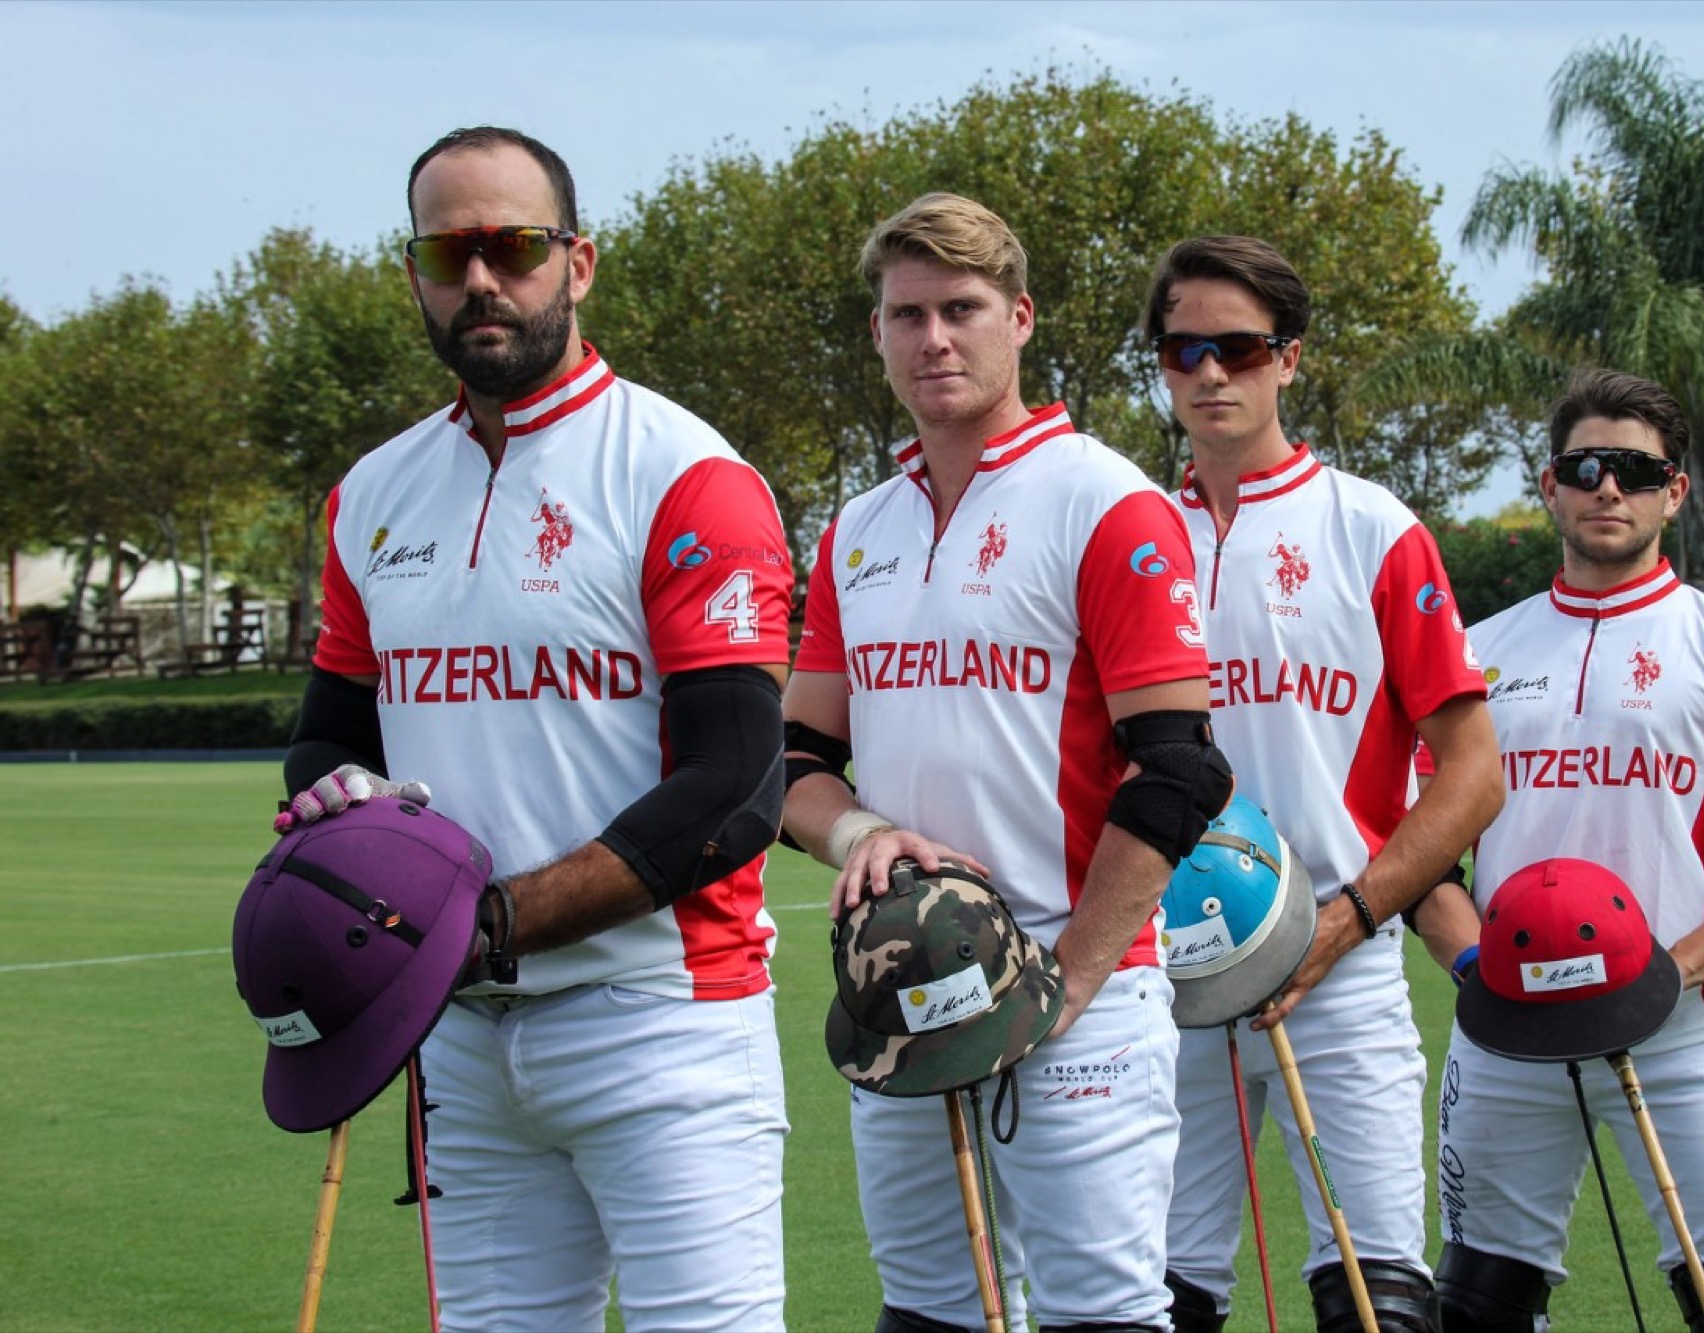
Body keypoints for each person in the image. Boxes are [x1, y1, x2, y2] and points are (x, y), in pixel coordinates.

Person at [283, 125, 794, 1332]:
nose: (479, 280)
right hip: (454, 1037)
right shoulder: (372, 494)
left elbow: (732, 788)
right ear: (412, 270)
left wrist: (483, 920)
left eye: (512, 246)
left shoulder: (683, 473)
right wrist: (330, 850)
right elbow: (328, 742)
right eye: (445, 250)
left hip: (661, 1024)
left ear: (578, 262)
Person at [781, 192, 1234, 1333]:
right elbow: (794, 760)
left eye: (961, 309)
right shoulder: (856, 528)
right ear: (877, 333)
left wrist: (1069, 979)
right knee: (929, 1313)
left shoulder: (1106, 501)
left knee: (1100, 1315)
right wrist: (857, 833)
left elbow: (1179, 769)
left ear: (1019, 318)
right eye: (905, 314)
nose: (933, 338)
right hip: (905, 987)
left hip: (1078, 990)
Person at [1408, 367, 1704, 1332]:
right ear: (1550, 485)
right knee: (1478, 1306)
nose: (1608, 487)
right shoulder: (1475, 652)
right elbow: (1418, 857)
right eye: (1585, 466)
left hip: (1688, 1035)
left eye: (1634, 469)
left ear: (1674, 491)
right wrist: (1478, 966)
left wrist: (1660, 976)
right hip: (1505, 1039)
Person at [1142, 236, 1503, 1333]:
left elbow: (1473, 773)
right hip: (1162, 975)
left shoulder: (1369, 528)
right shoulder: (1124, 531)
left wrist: (1349, 917)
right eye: (1182, 348)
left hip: (1335, 963)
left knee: (1374, 1297)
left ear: (1287, 359)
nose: (1210, 373)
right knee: (1155, 1294)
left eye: (1239, 348)